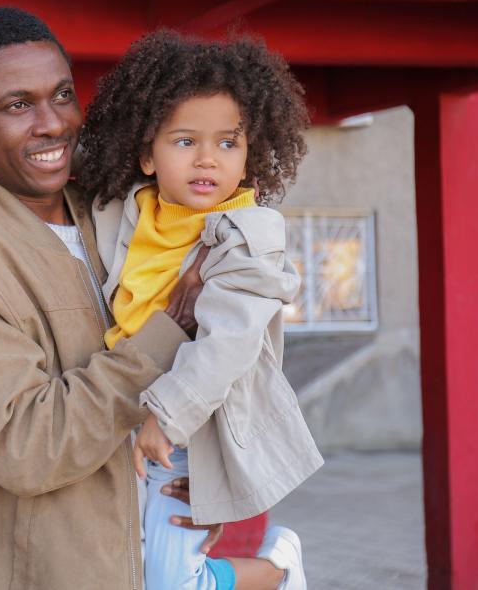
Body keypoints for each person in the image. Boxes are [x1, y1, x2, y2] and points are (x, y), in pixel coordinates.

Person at [0, 8, 219, 590]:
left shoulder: (116, 211)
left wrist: (211, 476)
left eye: (62, 95)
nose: (53, 123)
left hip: (132, 562)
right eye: (18, 105)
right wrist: (166, 332)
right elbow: (29, 447)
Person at [77, 31, 325, 590]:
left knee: (171, 583)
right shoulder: (125, 209)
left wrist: (163, 419)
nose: (207, 158)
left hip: (187, 432)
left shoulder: (249, 236)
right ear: (147, 153)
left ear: (250, 156)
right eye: (185, 141)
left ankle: (277, 571)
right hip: (121, 421)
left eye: (228, 143)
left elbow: (226, 345)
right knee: (122, 573)